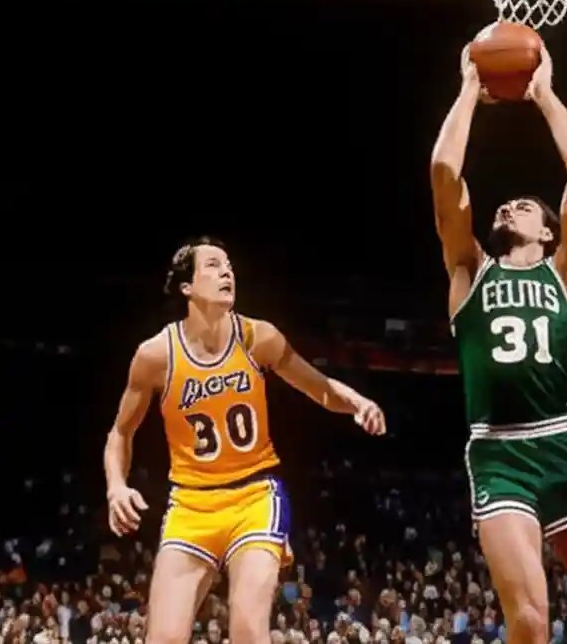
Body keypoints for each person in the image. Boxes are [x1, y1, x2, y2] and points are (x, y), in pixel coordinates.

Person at [429, 44, 567, 644]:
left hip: (564, 443)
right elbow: (445, 176)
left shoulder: (566, 273)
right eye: (506, 203)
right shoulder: (469, 271)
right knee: (529, 620)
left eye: (523, 206)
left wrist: (543, 93)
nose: (507, 205)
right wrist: (469, 89)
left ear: (548, 232)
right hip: (498, 453)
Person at [103, 236, 386, 644]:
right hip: (190, 505)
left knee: (248, 629)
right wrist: (116, 486)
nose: (227, 273)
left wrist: (357, 401)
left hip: (253, 496)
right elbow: (120, 432)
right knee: (162, 638)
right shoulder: (156, 355)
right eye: (214, 266)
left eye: (230, 266)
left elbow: (317, 386)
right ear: (187, 287)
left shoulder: (258, 337)